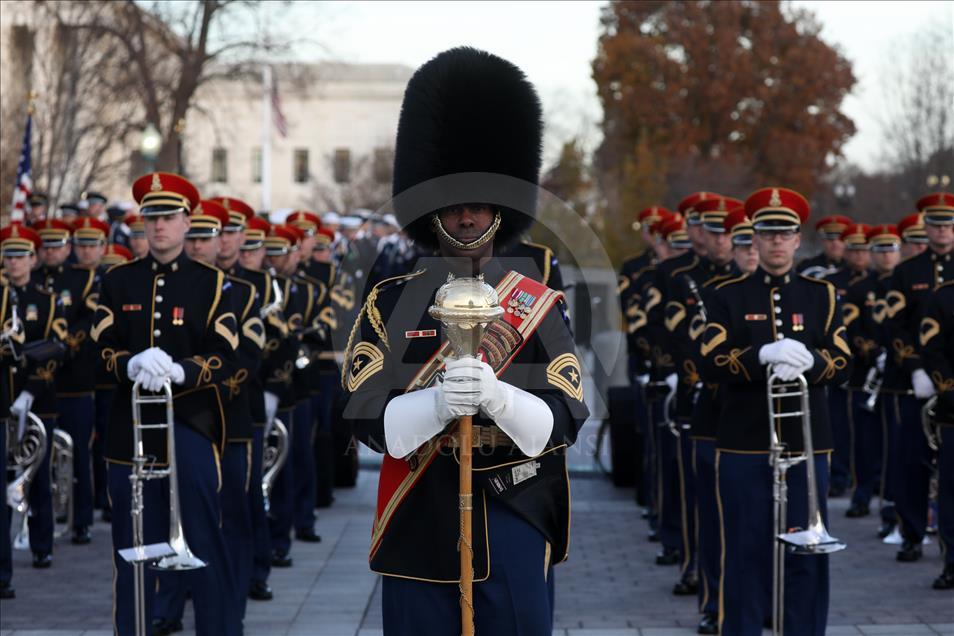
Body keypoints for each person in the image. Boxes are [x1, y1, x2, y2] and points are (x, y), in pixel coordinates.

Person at [343, 47, 588, 636]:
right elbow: (365, 416)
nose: (468, 216)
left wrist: (499, 399)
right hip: (419, 514)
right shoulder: (389, 299)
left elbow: (567, 418)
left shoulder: (536, 298)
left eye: (480, 201)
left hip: (515, 510)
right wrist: (435, 404)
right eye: (452, 202)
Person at [90, 172, 239, 635]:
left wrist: (184, 371)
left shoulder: (213, 284)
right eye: (151, 217)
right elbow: (98, 344)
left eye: (169, 217)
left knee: (201, 542)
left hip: (191, 424)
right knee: (131, 548)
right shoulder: (117, 281)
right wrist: (129, 362)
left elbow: (227, 350)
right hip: (127, 432)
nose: (159, 227)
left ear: (186, 221)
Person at [700, 187, 851, 635]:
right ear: (756, 238)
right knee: (745, 554)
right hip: (744, 443)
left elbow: (843, 359)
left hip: (807, 443)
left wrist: (816, 362)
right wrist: (760, 353)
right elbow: (709, 357)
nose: (776, 242)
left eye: (785, 233)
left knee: (807, 553)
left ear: (798, 238)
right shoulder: (726, 296)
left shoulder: (821, 294)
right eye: (767, 233)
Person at [883, 192, 954, 562]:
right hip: (911, 382)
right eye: (936, 224)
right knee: (912, 461)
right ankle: (910, 530)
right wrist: (914, 368)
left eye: (948, 224)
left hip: (951, 384)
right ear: (925, 227)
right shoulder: (906, 273)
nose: (942, 230)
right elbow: (894, 324)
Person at [1, 223, 67, 569]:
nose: (14, 264)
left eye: (20, 256)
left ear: (32, 258)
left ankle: (42, 544)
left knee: (39, 475)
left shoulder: (47, 301)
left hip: (38, 400)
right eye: (8, 256)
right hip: (3, 398)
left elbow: (56, 350)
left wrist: (29, 392)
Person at [921, 280, 954, 590]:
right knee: (951, 491)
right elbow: (933, 350)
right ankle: (952, 562)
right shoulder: (943, 297)